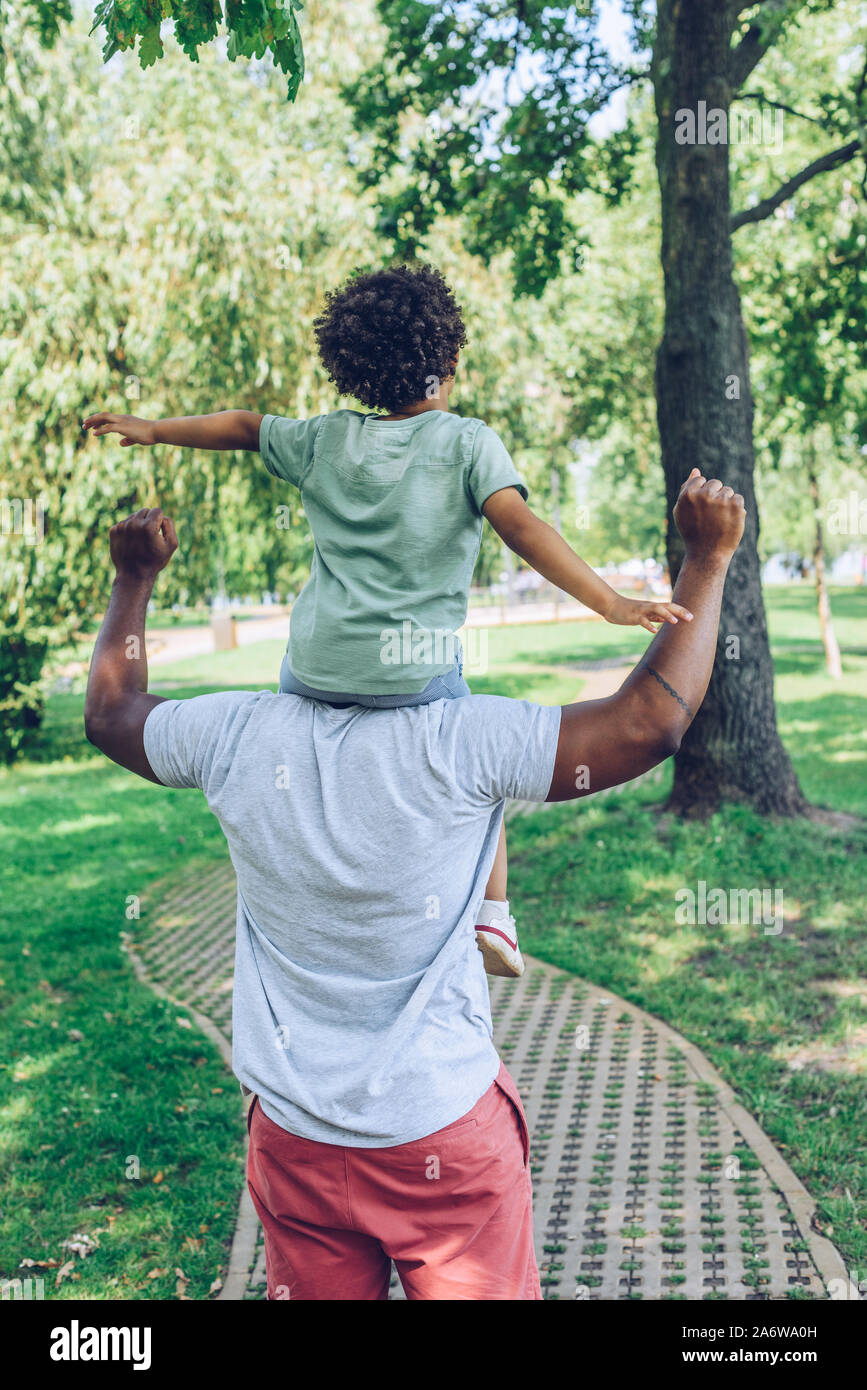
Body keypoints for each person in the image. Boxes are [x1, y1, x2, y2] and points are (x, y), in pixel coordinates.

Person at [83, 469, 745, 1301]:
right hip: (441, 1134)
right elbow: (648, 722)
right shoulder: (464, 741)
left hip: (295, 1138)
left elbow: (111, 712)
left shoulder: (235, 733)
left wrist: (133, 579)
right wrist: (706, 561)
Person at [82, 262, 692, 979]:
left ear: (354, 370)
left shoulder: (322, 439)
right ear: (450, 362)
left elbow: (244, 426)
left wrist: (153, 429)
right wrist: (613, 603)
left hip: (312, 673)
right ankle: (493, 915)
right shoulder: (466, 444)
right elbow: (523, 530)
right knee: (486, 772)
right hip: (413, 676)